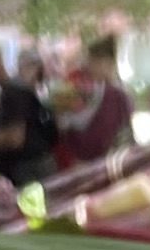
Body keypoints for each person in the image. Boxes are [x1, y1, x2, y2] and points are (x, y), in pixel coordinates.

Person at [56, 34, 137, 169]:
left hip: (108, 164)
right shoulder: (83, 90)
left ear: (107, 63)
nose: (87, 66)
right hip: (80, 164)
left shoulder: (119, 95)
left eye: (93, 61)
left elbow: (126, 135)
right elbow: (65, 126)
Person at [0, 41, 60, 187]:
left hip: (27, 168)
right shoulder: (34, 93)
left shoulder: (17, 92)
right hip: (38, 163)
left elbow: (15, 137)